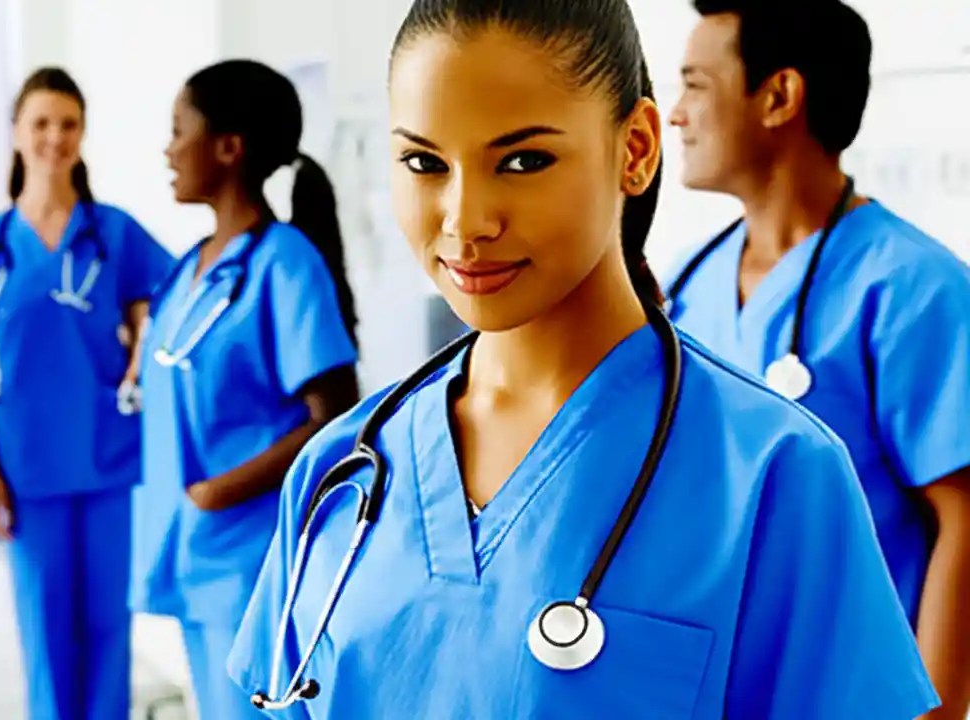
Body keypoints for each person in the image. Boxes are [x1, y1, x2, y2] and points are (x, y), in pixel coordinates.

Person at [224, 1, 942, 717]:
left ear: (634, 150)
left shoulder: (774, 472)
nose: (466, 220)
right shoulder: (337, 471)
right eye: (424, 162)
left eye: (523, 160)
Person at [665, 2, 970, 716]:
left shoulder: (914, 287)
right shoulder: (682, 286)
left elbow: (964, 519)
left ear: (779, 97)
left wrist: (935, 711)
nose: (675, 115)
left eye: (695, 86)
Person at [0, 67, 173, 720]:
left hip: (107, 464)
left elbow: (163, 306)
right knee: (46, 637)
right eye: (41, 123)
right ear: (16, 133)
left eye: (68, 124)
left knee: (107, 632)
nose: (55, 137)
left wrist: (138, 360)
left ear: (83, 133)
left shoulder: (114, 235)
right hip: (27, 472)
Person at [130, 59, 361, 718]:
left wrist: (219, 491)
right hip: (194, 550)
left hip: (251, 558)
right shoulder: (191, 272)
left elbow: (335, 414)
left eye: (180, 131)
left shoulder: (283, 263)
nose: (169, 149)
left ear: (229, 148)